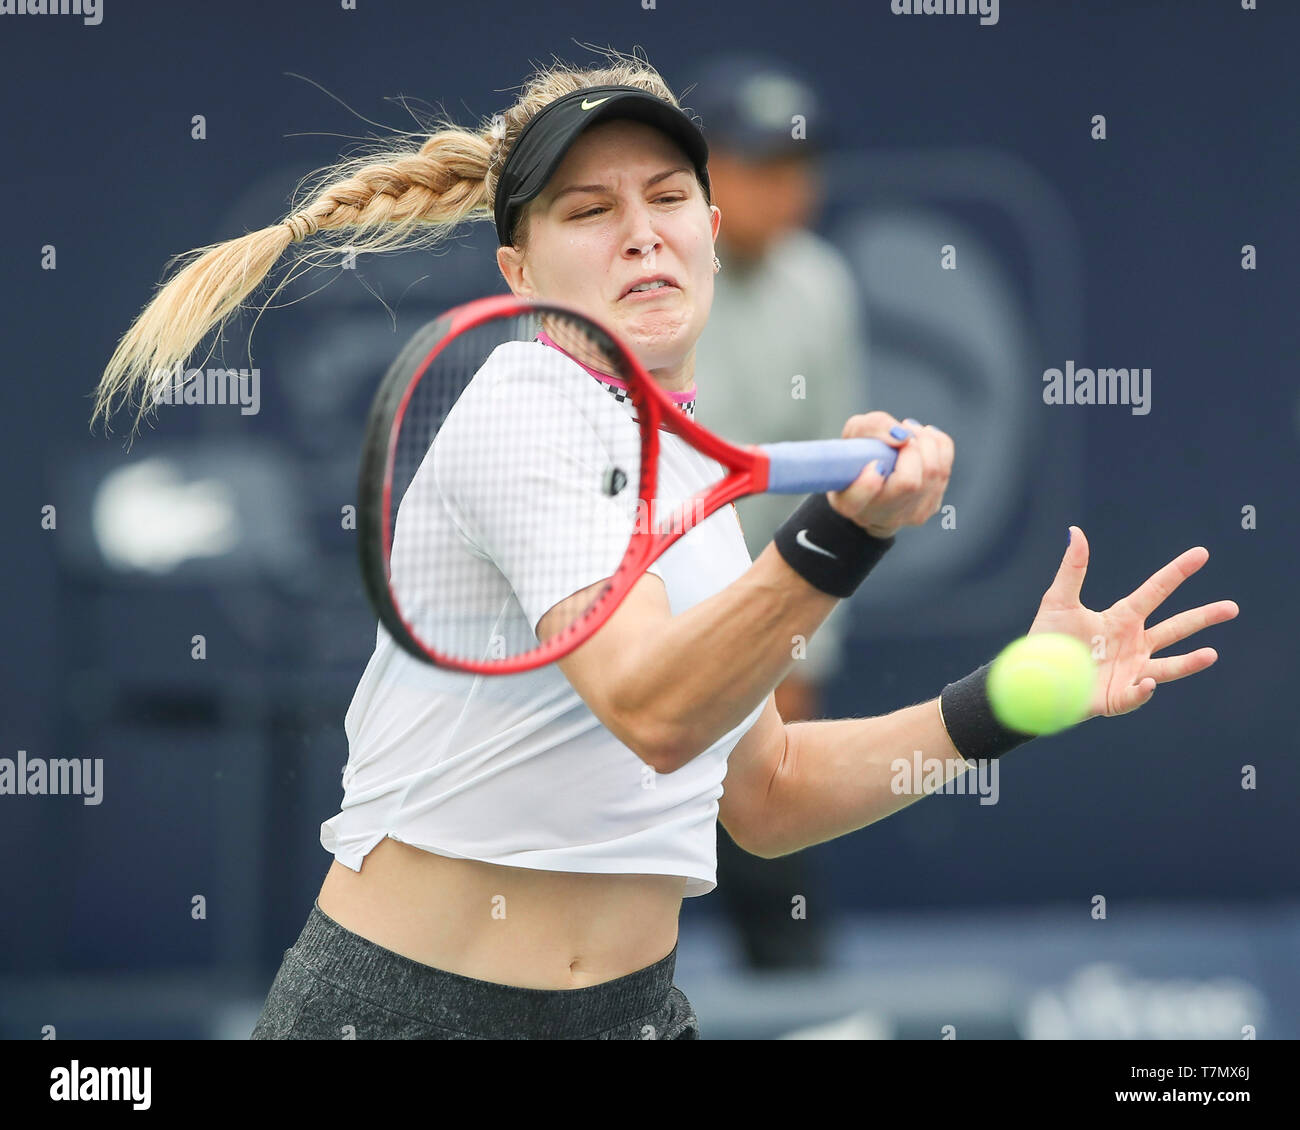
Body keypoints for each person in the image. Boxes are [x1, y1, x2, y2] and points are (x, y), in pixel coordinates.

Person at [91, 49, 1238, 1040]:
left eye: (665, 198)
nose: (640, 234)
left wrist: (1017, 697)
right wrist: (837, 539)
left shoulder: (692, 472)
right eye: (589, 211)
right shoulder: (525, 400)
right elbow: (652, 707)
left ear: (710, 226)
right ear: (520, 273)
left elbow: (765, 793)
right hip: (404, 1011)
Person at [687, 55, 869, 969]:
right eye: (762, 167)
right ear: (703, 169)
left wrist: (799, 640)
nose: (786, 190)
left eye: (800, 167)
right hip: (630, 626)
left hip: (763, 615)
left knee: (778, 847)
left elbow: (828, 481)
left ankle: (803, 1016)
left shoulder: (823, 287)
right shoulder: (648, 278)